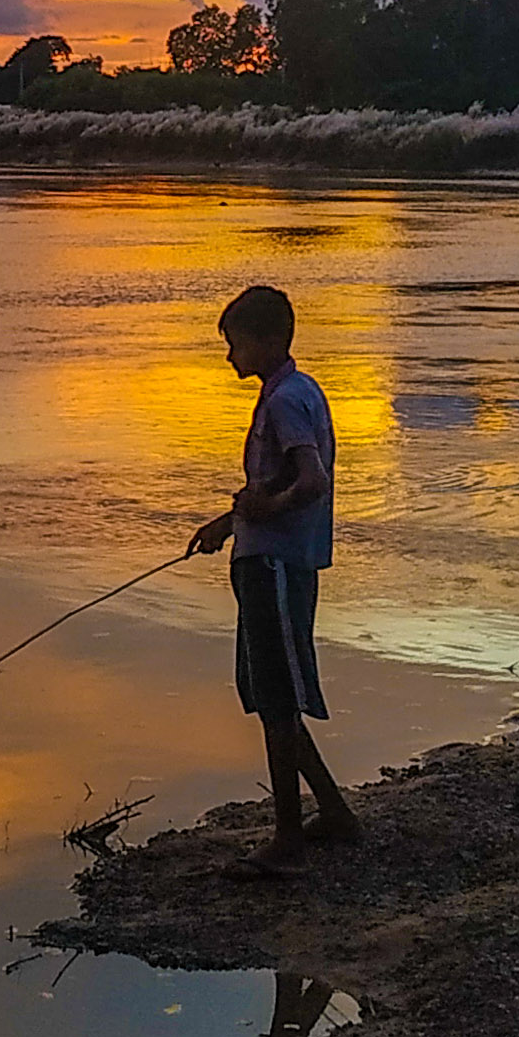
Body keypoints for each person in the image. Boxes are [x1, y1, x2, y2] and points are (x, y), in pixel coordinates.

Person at [188, 283, 359, 874]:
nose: (230, 356)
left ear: (265, 342)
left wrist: (262, 513)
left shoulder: (286, 400)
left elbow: (311, 482)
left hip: (277, 568)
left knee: (278, 698)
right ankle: (332, 812)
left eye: (234, 344)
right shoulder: (295, 391)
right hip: (270, 560)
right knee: (269, 695)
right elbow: (279, 483)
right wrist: (229, 522)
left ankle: (288, 840)